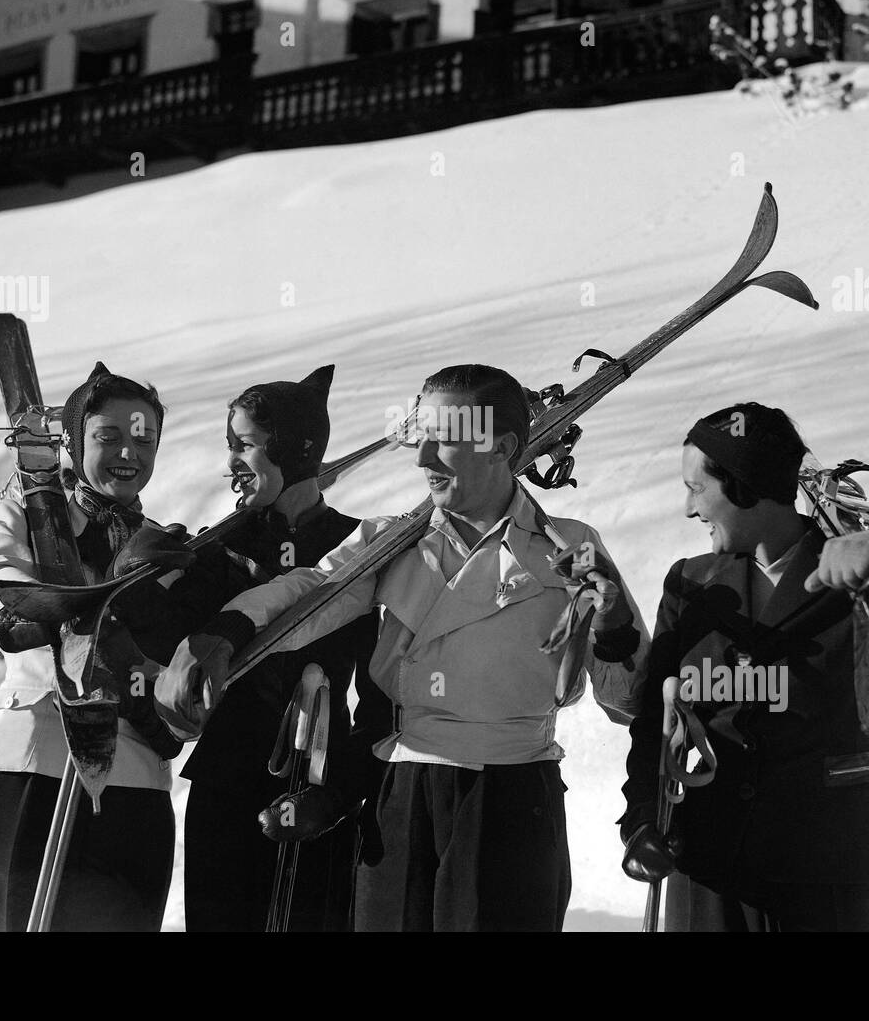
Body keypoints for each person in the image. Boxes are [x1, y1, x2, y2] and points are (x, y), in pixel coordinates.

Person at [156, 364, 650, 932]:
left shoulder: (572, 546)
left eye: (446, 440)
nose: (424, 460)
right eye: (422, 439)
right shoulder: (393, 542)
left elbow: (628, 703)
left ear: (504, 446)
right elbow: (311, 594)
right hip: (402, 799)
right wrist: (222, 632)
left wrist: (612, 627)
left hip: (511, 797)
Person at [620, 402, 869, 932]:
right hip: (708, 870)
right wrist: (640, 816)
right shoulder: (689, 583)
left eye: (697, 488)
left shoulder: (862, 569)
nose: (689, 508)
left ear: (744, 487)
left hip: (830, 873)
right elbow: (651, 717)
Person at [129, 366, 380, 931]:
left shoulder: (359, 545)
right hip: (227, 787)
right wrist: (140, 577)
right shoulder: (219, 548)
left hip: (321, 793)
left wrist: (343, 790)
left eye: (244, 445)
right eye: (229, 446)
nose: (232, 463)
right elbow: (160, 648)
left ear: (296, 448)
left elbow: (381, 688)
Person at [0, 363, 183, 931]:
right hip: (31, 770)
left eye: (144, 439)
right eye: (108, 437)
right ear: (75, 443)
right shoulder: (22, 520)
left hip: (133, 781)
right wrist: (38, 608)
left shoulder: (168, 550)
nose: (129, 452)